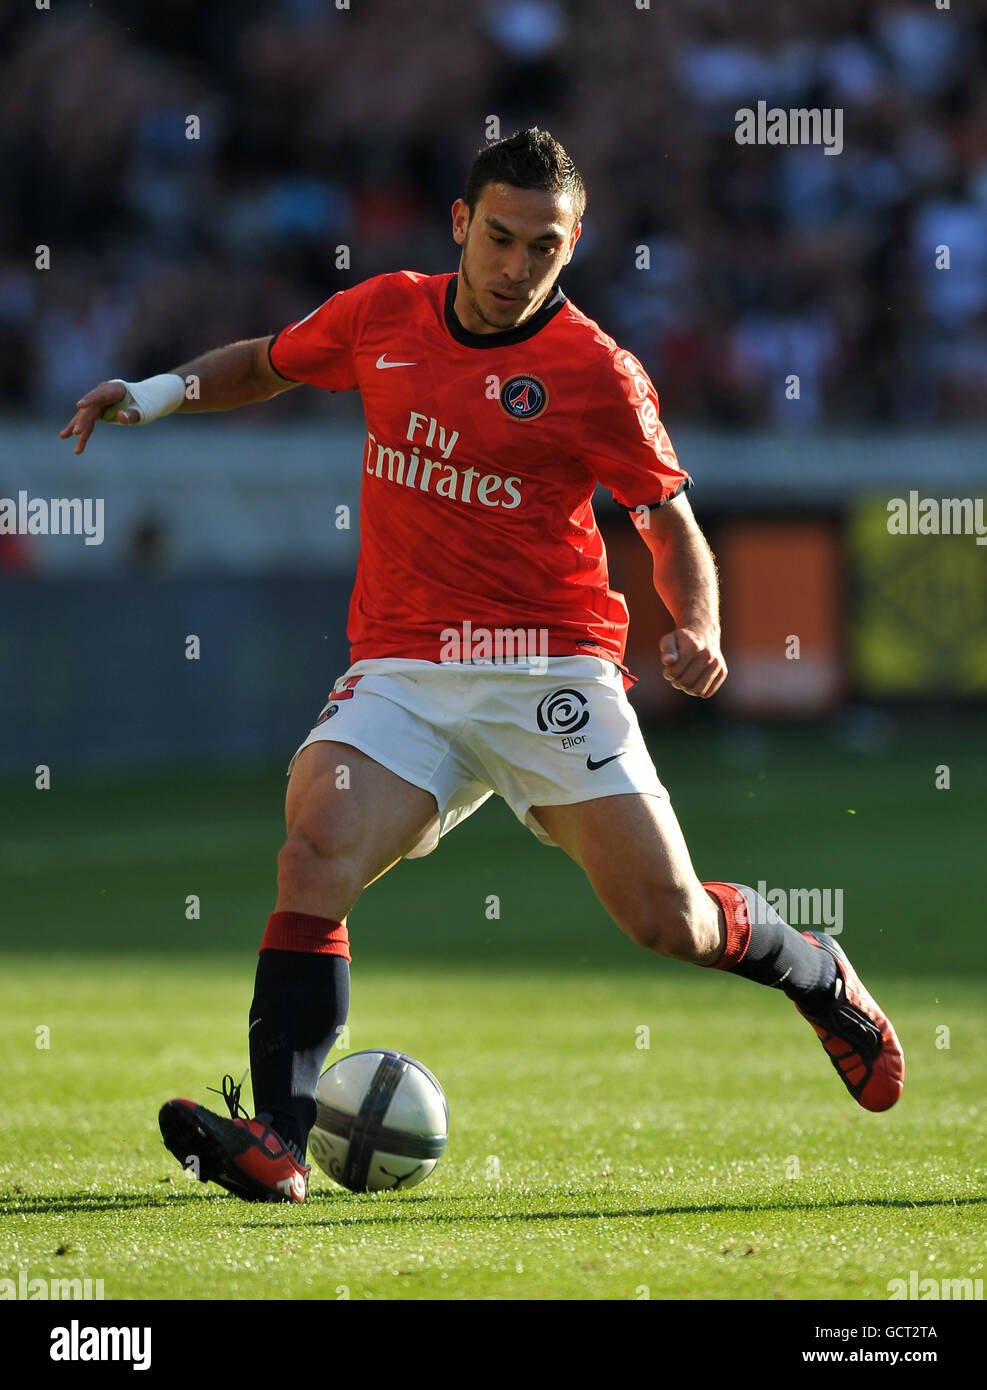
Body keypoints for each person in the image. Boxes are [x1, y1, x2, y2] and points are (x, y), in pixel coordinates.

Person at [61, 128, 903, 1204]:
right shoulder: (382, 313)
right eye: (500, 237)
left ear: (572, 244)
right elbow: (266, 362)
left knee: (670, 921)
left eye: (543, 246)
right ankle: (278, 1135)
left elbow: (669, 520)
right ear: (460, 222)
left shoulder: (596, 371)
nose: (516, 266)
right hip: (404, 667)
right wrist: (155, 391)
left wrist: (697, 623)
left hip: (548, 669)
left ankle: (814, 970)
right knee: (316, 845)